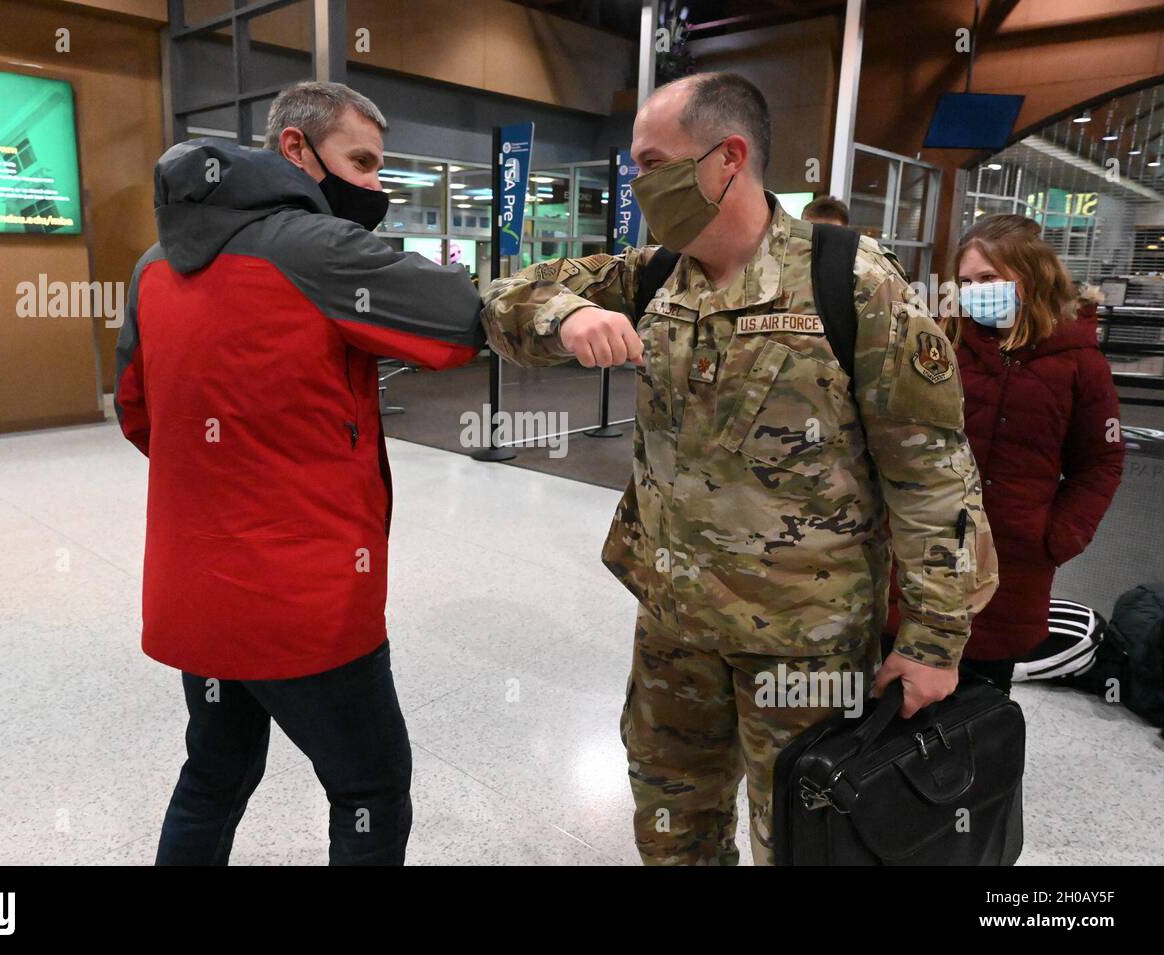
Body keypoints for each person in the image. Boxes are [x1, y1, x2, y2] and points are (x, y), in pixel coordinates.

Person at [480, 70, 998, 866]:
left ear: (729, 158)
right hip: (673, 627)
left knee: (804, 838)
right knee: (671, 824)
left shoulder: (851, 282)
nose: (636, 182)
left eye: (651, 162)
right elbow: (506, 298)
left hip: (806, 643)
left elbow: (932, 473)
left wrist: (934, 639)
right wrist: (569, 310)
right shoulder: (653, 274)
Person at [114, 81, 484, 865]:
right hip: (307, 603)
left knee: (213, 773)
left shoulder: (152, 267)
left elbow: (138, 413)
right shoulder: (317, 249)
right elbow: (459, 323)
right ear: (296, 150)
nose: (376, 185)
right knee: (369, 790)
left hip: (196, 593)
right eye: (362, 161)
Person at [886, 215, 1123, 693]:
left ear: (1030, 276)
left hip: (1013, 558)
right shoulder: (942, 340)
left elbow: (1100, 462)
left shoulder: (1079, 361)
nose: (975, 291)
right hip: (922, 548)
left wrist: (1058, 537)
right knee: (897, 687)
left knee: (980, 701)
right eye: (967, 281)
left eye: (989, 279)